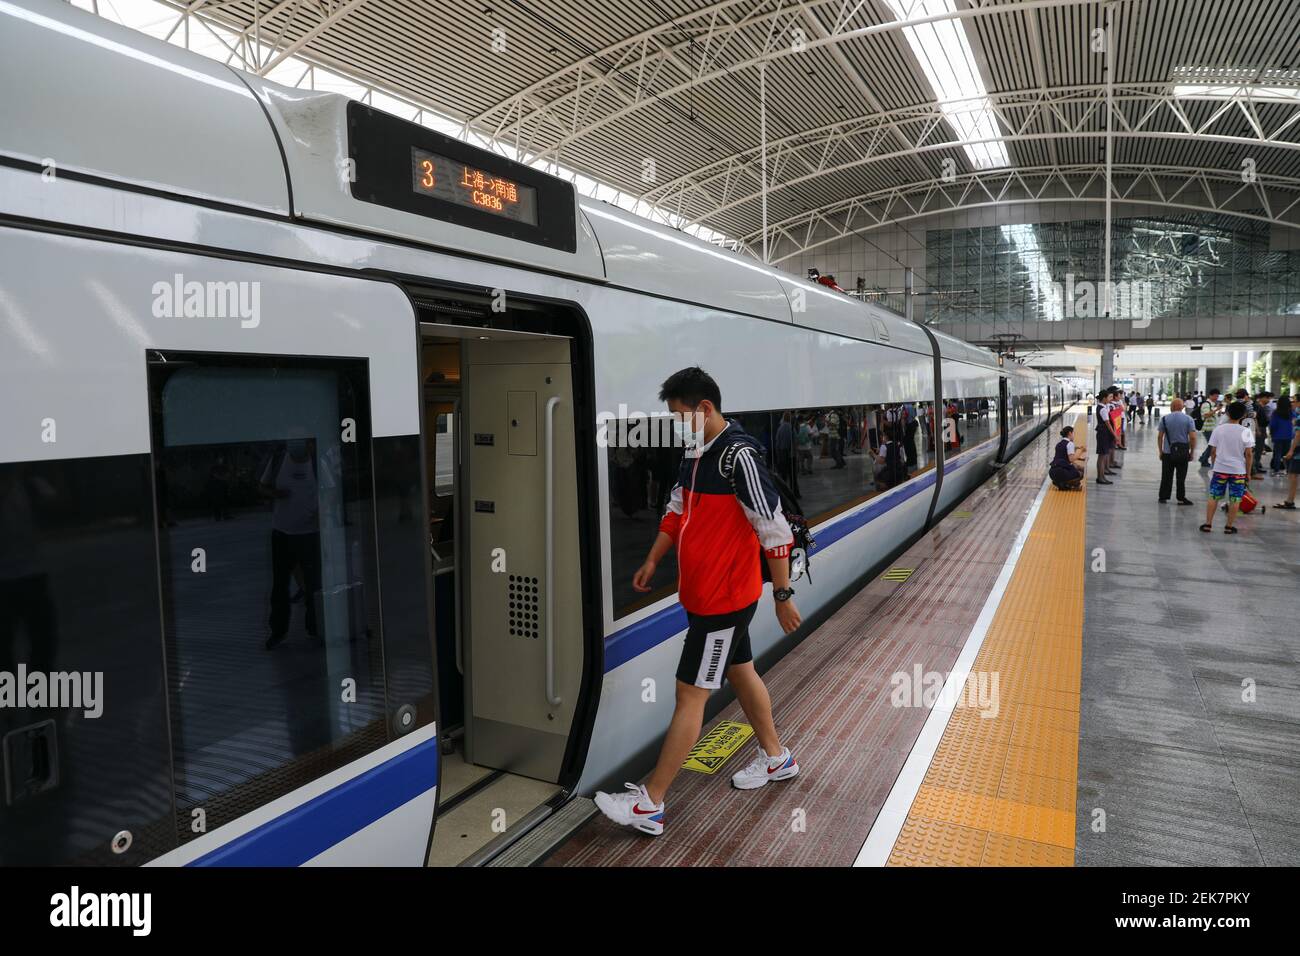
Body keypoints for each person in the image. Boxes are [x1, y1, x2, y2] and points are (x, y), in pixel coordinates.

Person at [595, 368, 800, 836]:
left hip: (723, 603)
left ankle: (651, 803)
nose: (676, 424)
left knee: (690, 695)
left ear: (704, 409)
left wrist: (783, 596)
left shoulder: (739, 456)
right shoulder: (694, 451)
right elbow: (676, 509)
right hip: (706, 597)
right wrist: (652, 560)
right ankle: (777, 758)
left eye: (679, 415)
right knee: (741, 670)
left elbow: (774, 531)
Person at [1202, 401, 1254, 535]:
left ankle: (1208, 524)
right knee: (1235, 499)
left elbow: (1213, 451)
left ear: (1227, 413)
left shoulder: (1219, 429)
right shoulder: (1246, 431)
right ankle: (1229, 526)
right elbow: (1248, 454)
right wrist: (1248, 473)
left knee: (1214, 496)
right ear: (1243, 415)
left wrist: (1214, 466)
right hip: (1238, 471)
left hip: (1220, 469)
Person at [1156, 398, 1196, 505]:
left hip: (1168, 453)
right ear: (1182, 407)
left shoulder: (1164, 419)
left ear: (1172, 407)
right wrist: (1191, 452)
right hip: (1183, 453)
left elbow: (1160, 437)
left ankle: (1163, 497)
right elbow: (1192, 437)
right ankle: (1181, 498)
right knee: (1181, 476)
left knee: (1166, 475)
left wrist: (1161, 451)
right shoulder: (1188, 419)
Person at [1050, 425, 1086, 490]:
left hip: (1052, 473)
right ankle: (1069, 484)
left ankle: (1059, 482)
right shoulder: (1070, 443)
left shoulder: (1059, 444)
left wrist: (1078, 460)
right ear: (1070, 433)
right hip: (1061, 472)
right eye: (1073, 433)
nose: (1074, 435)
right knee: (1081, 473)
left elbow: (1064, 456)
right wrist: (1081, 451)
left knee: (1076, 467)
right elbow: (1071, 459)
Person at [1270, 396, 1295, 476]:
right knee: (1287, 453)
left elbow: (1272, 425)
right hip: (1288, 435)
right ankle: (1288, 470)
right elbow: (1294, 422)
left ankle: (1276, 470)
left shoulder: (1275, 413)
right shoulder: (1290, 412)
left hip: (1277, 435)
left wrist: (1272, 433)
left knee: (1277, 453)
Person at [1094, 391, 1116, 484]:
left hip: (1102, 433)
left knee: (1102, 456)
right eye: (1108, 397)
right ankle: (1100, 477)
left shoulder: (1102, 407)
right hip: (1104, 434)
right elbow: (1108, 424)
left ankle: (1101, 476)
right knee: (1102, 456)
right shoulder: (1102, 409)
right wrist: (1115, 435)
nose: (1109, 399)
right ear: (1104, 398)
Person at [1198, 389, 1222, 466]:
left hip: (1212, 428)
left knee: (1211, 445)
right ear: (1211, 395)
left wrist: (1218, 412)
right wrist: (1216, 409)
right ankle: (1204, 460)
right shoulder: (1206, 404)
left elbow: (1212, 415)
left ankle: (1203, 458)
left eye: (1218, 396)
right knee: (1212, 445)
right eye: (1216, 396)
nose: (1217, 398)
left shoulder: (1212, 404)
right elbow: (1206, 415)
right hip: (1207, 428)